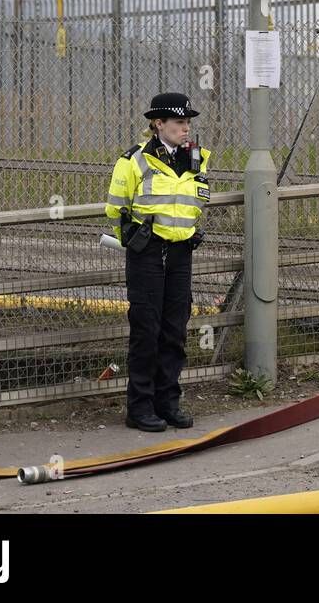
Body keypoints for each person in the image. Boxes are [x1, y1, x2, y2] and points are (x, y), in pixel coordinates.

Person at [105, 92, 212, 432]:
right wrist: (134, 239)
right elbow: (116, 208)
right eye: (179, 122)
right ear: (158, 124)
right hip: (148, 253)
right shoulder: (134, 161)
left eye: (187, 122)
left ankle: (168, 403)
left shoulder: (196, 159)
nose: (186, 128)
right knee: (146, 332)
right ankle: (139, 407)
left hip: (181, 254)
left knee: (174, 331)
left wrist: (190, 231)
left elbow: (193, 202)